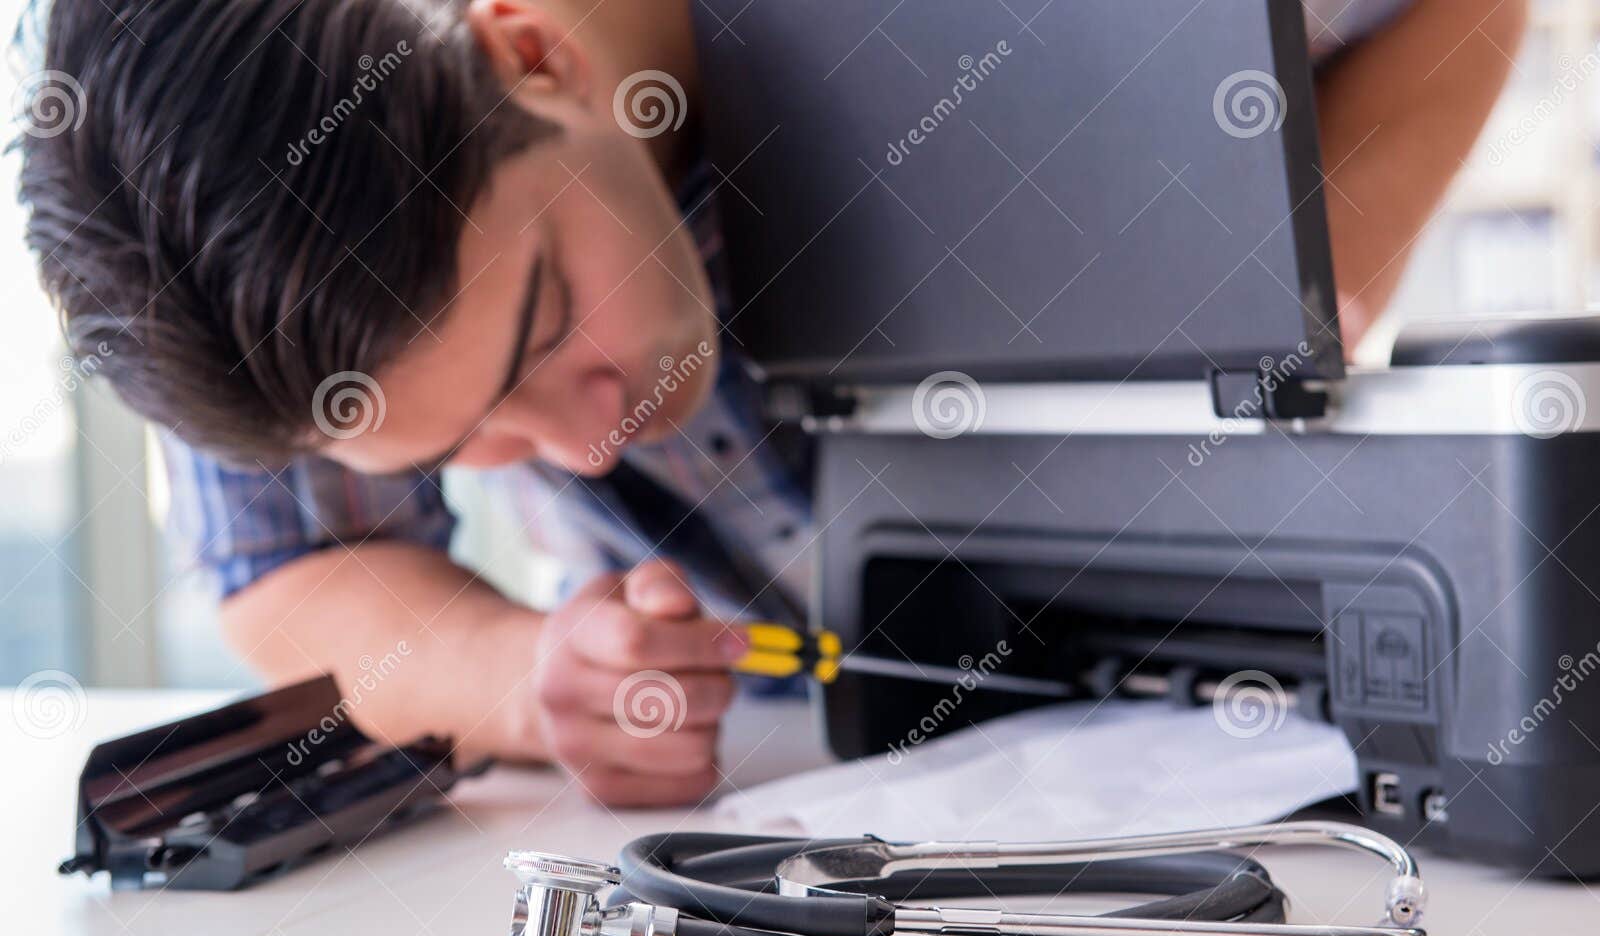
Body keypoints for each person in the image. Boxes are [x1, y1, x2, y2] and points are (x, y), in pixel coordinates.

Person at [16, 0, 1526, 803]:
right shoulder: (244, 273)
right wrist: (531, 671)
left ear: (529, 50)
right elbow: (292, 575)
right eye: (475, 446)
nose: (584, 441)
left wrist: (1292, 257)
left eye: (545, 324)